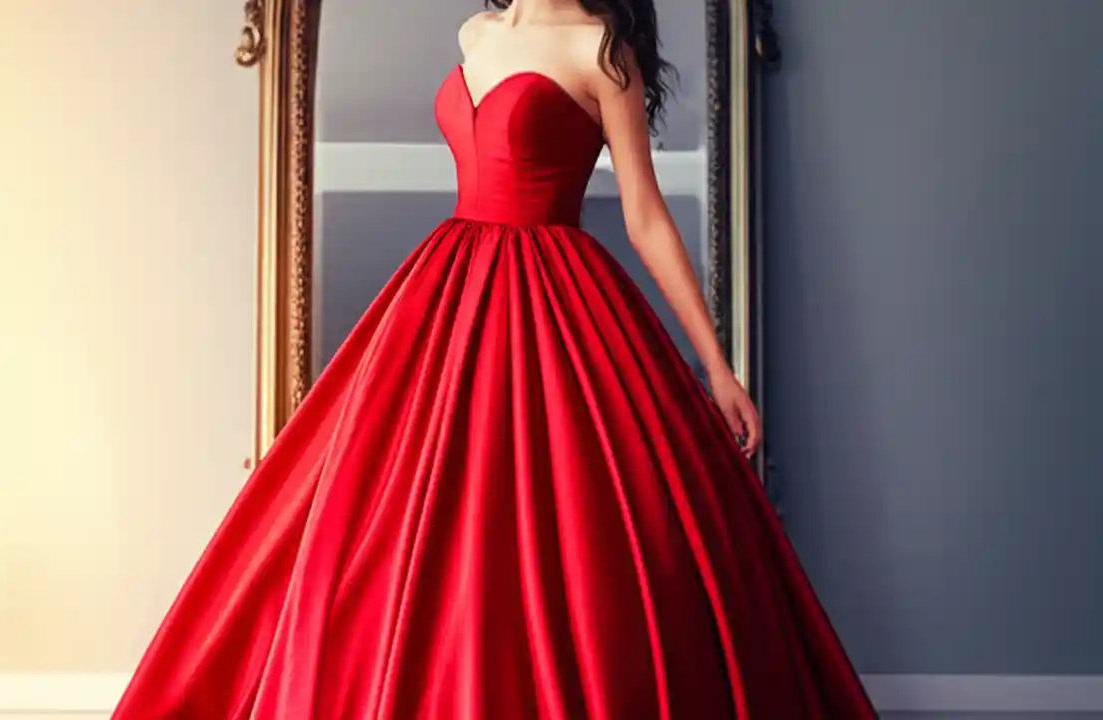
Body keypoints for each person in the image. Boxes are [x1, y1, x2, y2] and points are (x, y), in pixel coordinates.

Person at [112, 0, 877, 717]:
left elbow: (644, 216)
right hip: (447, 286)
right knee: (379, 519)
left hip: (557, 299)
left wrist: (717, 368)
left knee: (568, 529)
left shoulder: (602, 51)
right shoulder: (477, 32)